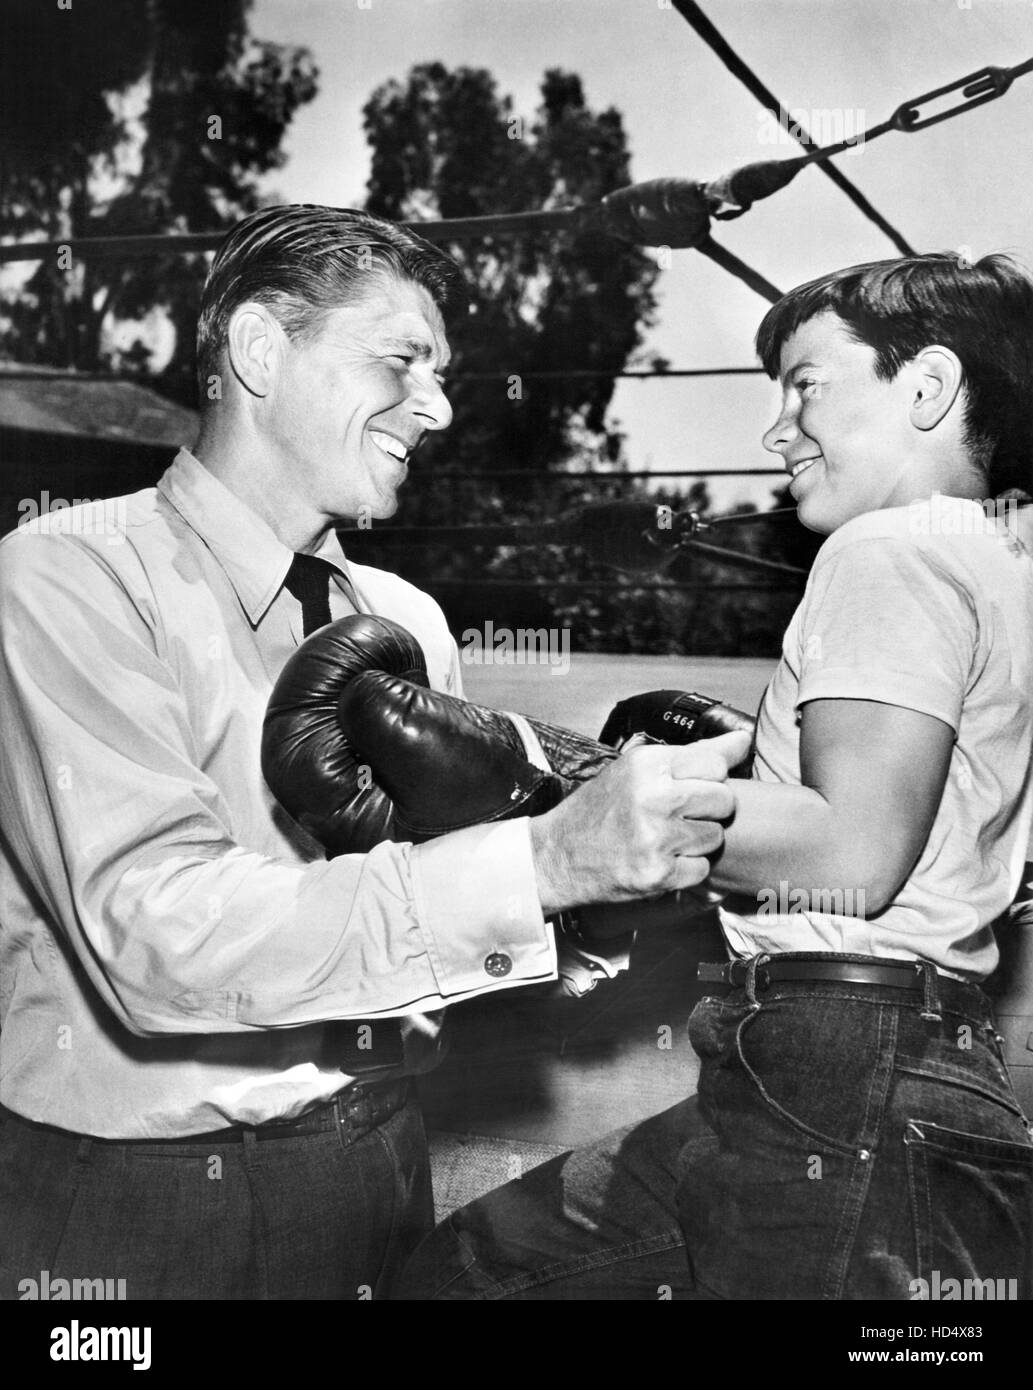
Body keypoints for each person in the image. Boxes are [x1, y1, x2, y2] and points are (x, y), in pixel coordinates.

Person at [0, 204, 746, 1301]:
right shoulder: (67, 577)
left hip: (378, 1162)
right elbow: (156, 936)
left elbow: (426, 934)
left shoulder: (405, 619)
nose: (439, 406)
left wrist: (603, 896)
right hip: (133, 1200)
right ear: (259, 349)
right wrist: (539, 863)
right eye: (403, 361)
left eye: (443, 374)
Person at [398, 251, 1033, 1301]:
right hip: (869, 1070)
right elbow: (923, 801)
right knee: (480, 1266)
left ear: (925, 387)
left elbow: (852, 854)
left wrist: (562, 785)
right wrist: (746, 760)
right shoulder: (998, 564)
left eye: (805, 387)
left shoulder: (884, 550)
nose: (774, 432)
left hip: (839, 1074)